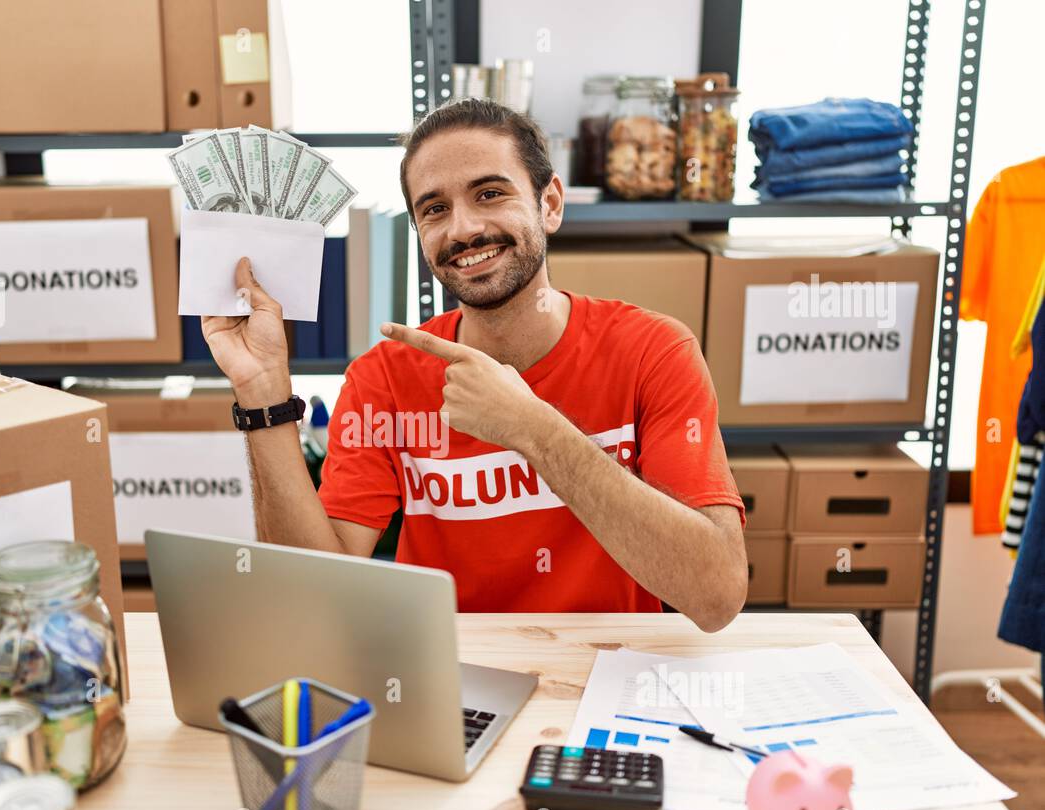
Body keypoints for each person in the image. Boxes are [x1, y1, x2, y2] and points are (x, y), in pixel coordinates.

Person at [201, 98, 748, 631]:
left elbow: (716, 596)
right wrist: (262, 390)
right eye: (434, 209)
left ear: (550, 203)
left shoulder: (654, 351)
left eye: (489, 193)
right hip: (453, 681)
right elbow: (310, 601)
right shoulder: (385, 377)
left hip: (608, 675)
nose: (462, 229)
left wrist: (530, 425)